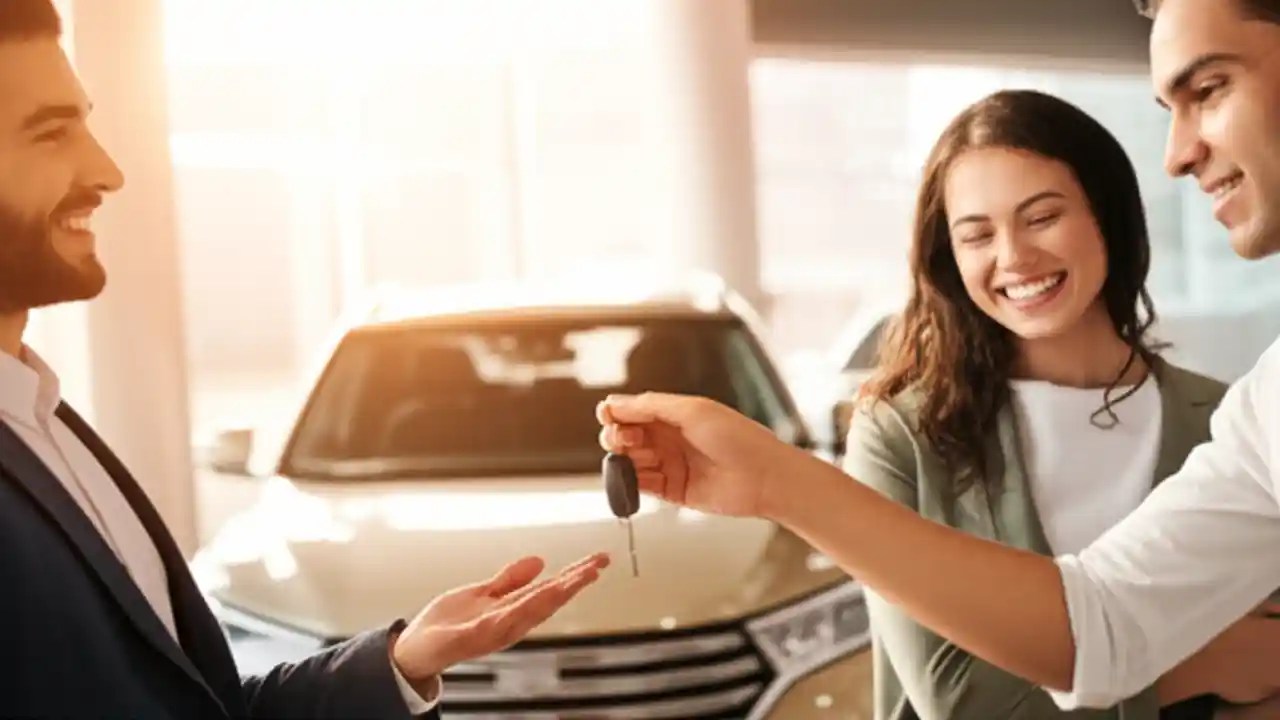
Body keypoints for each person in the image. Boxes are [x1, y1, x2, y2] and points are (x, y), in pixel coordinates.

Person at [597, 0, 1280, 711]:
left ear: (1108, 216)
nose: (1178, 153)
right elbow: (1094, 632)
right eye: (977, 234)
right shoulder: (1263, 413)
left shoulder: (1230, 408)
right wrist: (775, 482)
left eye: (1209, 90)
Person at [0, 2, 609, 717]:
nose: (106, 170)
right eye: (50, 133)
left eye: (86, 123)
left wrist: (400, 664)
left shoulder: (46, 419)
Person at [847, 88, 1243, 719]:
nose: (1014, 258)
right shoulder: (902, 435)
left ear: (1106, 216)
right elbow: (961, 702)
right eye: (977, 235)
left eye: (1041, 218)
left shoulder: (1229, 422)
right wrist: (1196, 667)